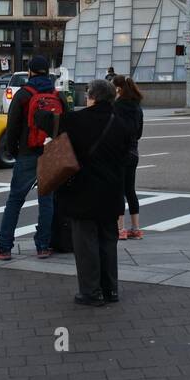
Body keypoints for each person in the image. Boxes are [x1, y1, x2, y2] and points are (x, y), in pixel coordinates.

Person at [35, 79, 132, 306]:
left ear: (93, 97)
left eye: (88, 95)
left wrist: (41, 109)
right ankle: (111, 290)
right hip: (112, 193)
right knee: (108, 241)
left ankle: (91, 292)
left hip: (83, 194)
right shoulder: (121, 124)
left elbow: (47, 121)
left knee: (86, 242)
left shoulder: (78, 120)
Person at [0, 55, 64, 261]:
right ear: (47, 72)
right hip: (50, 154)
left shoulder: (23, 95)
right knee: (47, 201)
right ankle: (43, 246)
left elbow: (11, 128)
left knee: (15, 200)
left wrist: (14, 152)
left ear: (30, 72)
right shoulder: (57, 94)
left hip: (27, 153)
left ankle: (4, 247)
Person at [112, 75, 145, 239]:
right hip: (133, 152)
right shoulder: (137, 107)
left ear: (118, 89)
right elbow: (139, 133)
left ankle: (120, 229)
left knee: (118, 191)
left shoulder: (117, 106)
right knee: (130, 190)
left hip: (118, 153)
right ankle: (136, 228)